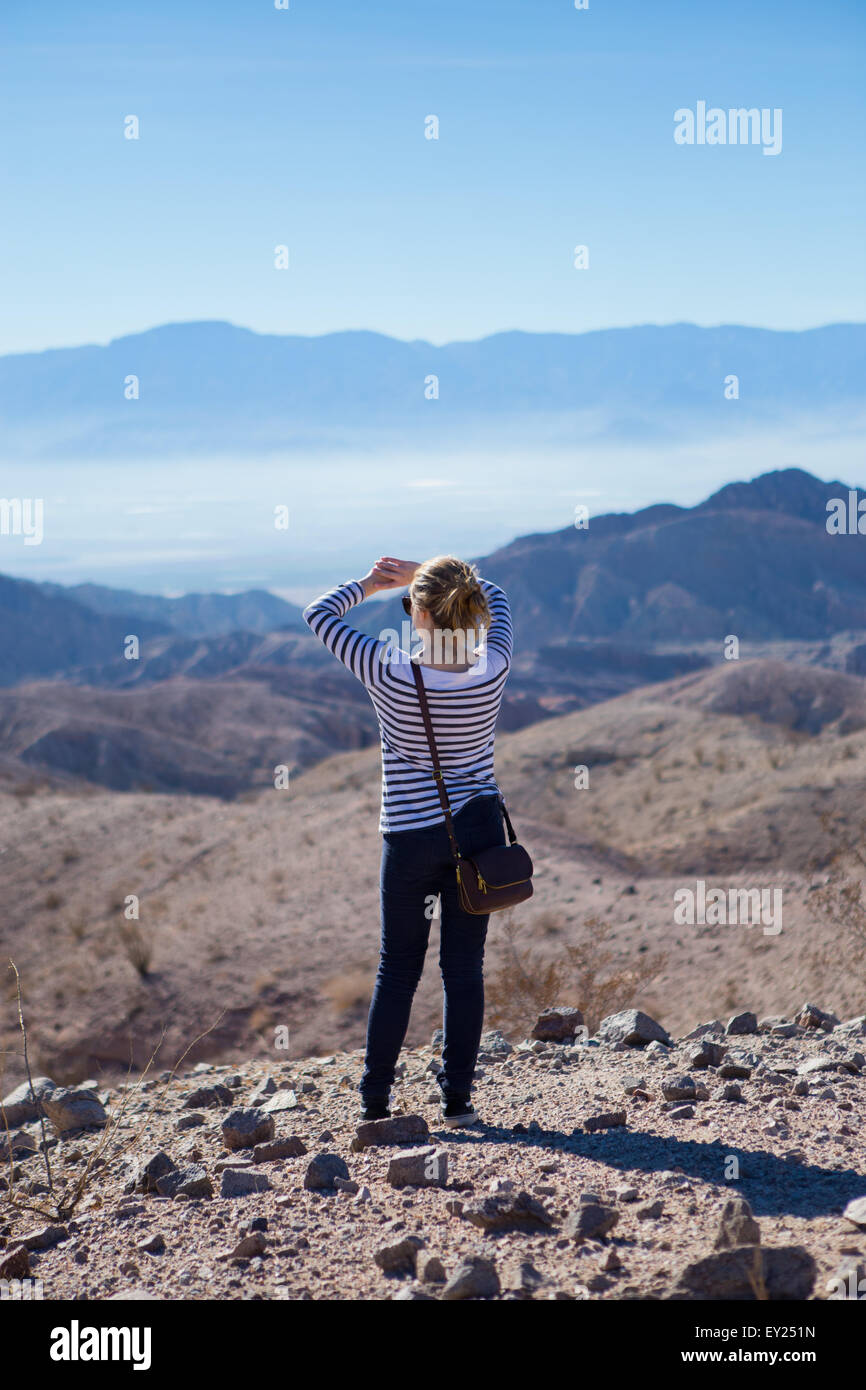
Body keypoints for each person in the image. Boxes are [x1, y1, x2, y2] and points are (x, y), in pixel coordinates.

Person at [302, 555, 513, 1127]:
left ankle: (375, 1102)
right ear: (470, 611)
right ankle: (457, 1101)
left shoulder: (388, 670)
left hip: (411, 838)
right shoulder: (491, 668)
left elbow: (318, 615)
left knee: (397, 969)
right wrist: (436, 571)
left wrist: (373, 584)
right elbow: (500, 599)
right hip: (477, 836)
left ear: (418, 615)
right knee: (464, 968)